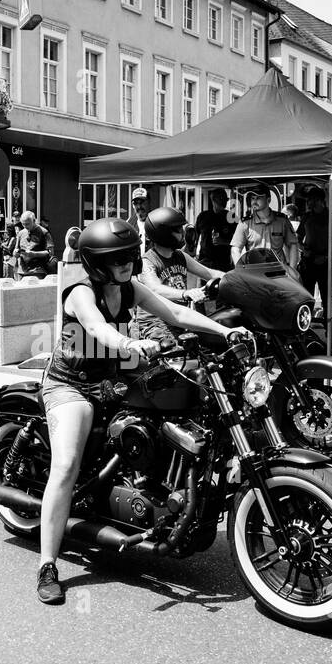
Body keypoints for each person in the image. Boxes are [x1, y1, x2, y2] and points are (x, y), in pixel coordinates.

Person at [36, 218, 249, 604]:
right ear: (97, 262)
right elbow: (97, 329)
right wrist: (128, 343)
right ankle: (47, 564)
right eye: (117, 259)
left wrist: (225, 332)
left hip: (114, 378)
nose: (125, 265)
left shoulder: (129, 287)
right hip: (72, 383)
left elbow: (175, 313)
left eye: (129, 257)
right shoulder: (81, 293)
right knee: (66, 465)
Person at [134, 207, 225, 341]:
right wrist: (185, 293)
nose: (183, 233)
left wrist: (237, 279)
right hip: (155, 325)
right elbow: (155, 288)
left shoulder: (181, 256)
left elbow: (209, 273)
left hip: (179, 320)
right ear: (163, 233)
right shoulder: (147, 262)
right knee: (182, 359)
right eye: (177, 229)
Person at [299, 188, 332, 317]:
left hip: (325, 263)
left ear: (319, 200)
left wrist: (327, 256)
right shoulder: (307, 216)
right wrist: (304, 249)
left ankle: (330, 331)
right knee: (306, 296)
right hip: (309, 261)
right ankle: (305, 328)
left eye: (310, 199)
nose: (308, 202)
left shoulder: (331, 216)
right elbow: (297, 238)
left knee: (327, 297)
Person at [231, 190, 298, 269]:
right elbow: (236, 248)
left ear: (268, 200)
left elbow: (293, 245)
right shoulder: (245, 223)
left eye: (258, 198)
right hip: (256, 273)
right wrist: (242, 271)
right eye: (253, 198)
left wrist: (292, 270)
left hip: (279, 273)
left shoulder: (282, 220)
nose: (254, 201)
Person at [193, 190, 234, 271]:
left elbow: (239, 241)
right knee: (205, 284)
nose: (224, 202)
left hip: (224, 263)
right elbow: (195, 236)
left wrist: (224, 242)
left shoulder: (232, 216)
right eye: (221, 199)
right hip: (204, 262)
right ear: (213, 200)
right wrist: (193, 252)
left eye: (225, 200)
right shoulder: (203, 216)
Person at [15, 211, 54, 280]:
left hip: (38, 271)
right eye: (23, 224)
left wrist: (34, 254)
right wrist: (16, 253)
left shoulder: (44, 232)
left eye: (27, 224)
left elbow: (51, 252)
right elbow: (15, 251)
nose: (25, 226)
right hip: (22, 272)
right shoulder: (20, 233)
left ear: (34, 221)